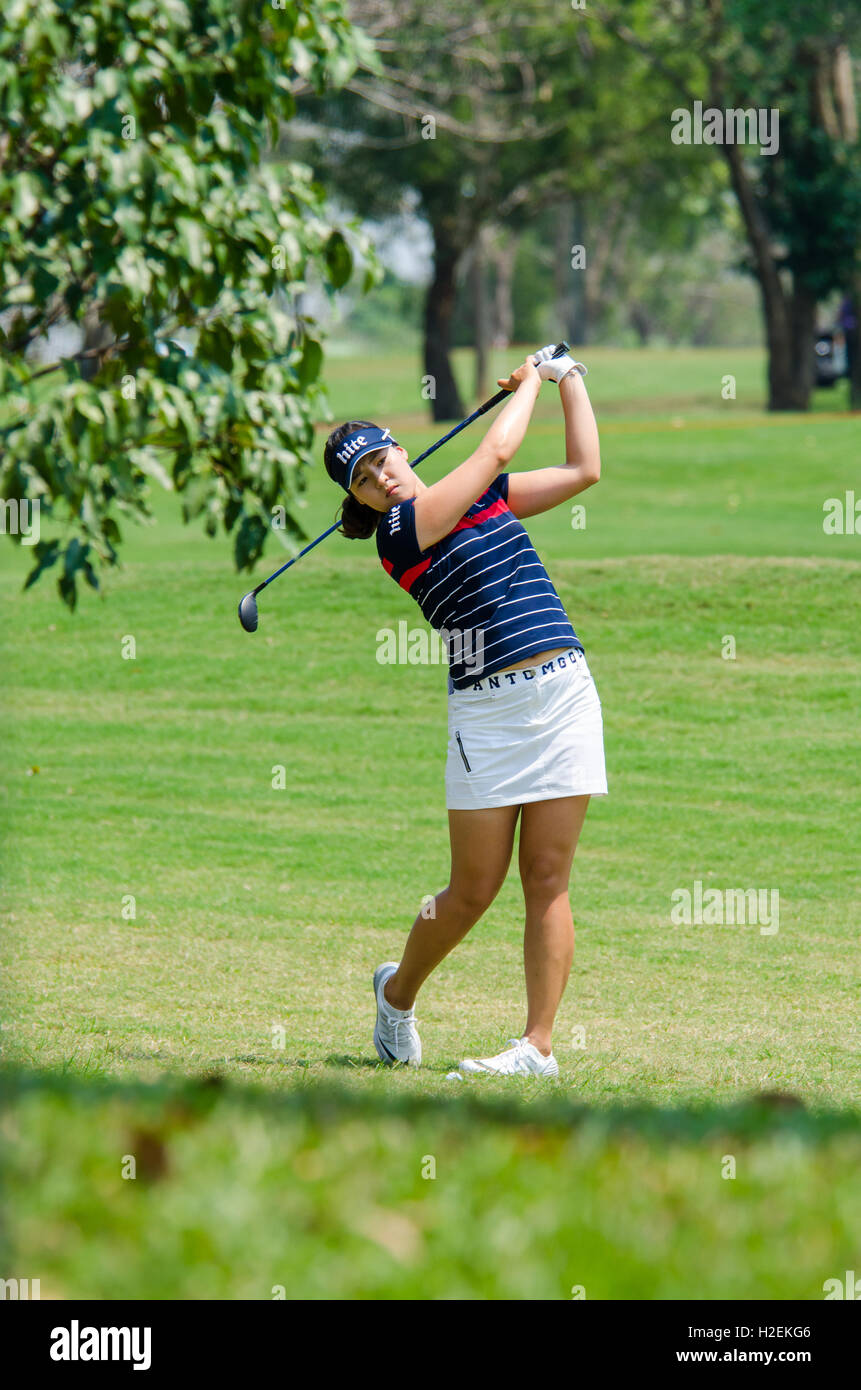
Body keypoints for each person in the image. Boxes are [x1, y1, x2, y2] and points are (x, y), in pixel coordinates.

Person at [324, 345, 607, 1078]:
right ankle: (396, 993)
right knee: (470, 891)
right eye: (363, 478)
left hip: (563, 689)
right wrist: (532, 381)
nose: (381, 477)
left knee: (546, 877)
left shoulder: (485, 495)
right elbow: (497, 444)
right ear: (358, 500)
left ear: (400, 449)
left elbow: (584, 470)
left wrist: (568, 376)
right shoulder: (398, 534)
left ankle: (537, 1049)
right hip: (488, 714)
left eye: (382, 459)